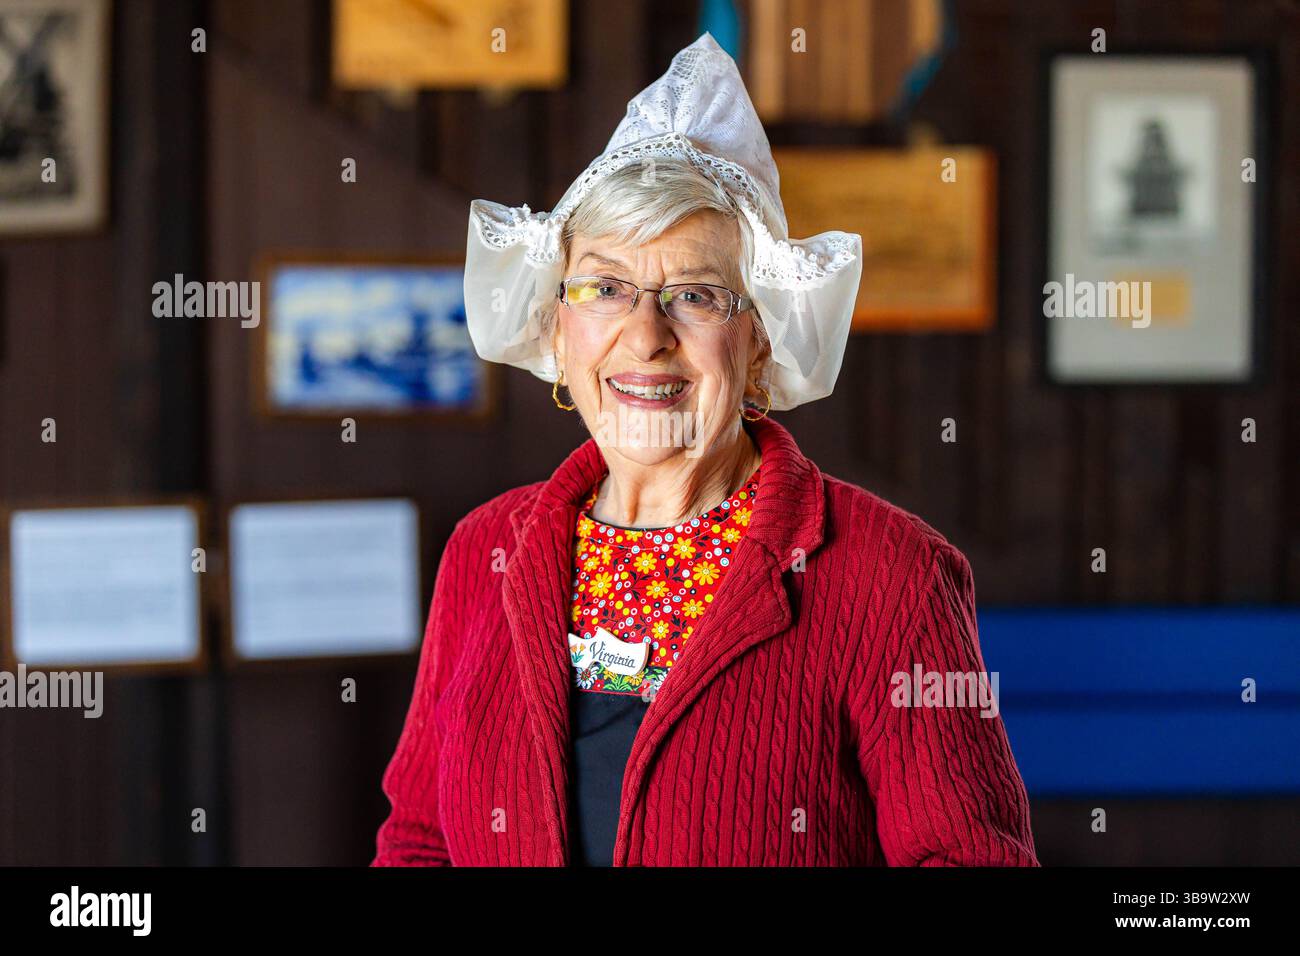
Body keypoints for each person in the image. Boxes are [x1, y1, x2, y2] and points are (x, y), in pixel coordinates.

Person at [372, 32, 1037, 866]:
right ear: (556, 323)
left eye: (694, 295)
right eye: (605, 287)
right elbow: (420, 842)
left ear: (760, 340)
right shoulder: (484, 553)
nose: (644, 337)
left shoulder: (892, 575)